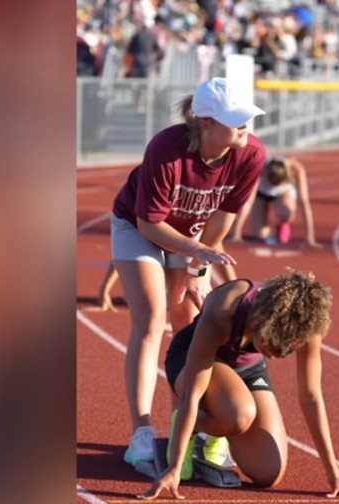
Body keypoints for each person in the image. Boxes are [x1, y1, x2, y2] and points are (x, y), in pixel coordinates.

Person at [111, 77, 267, 468]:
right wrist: (197, 250)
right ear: (205, 122)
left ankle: (189, 426)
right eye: (236, 120)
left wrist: (199, 264)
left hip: (194, 234)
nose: (246, 126)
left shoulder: (251, 154)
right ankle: (142, 433)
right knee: (150, 317)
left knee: (191, 324)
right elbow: (150, 225)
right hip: (139, 227)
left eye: (247, 117)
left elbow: (223, 219)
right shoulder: (167, 149)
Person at [138, 269, 339, 500]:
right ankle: (192, 426)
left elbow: (311, 396)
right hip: (192, 358)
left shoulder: (306, 324)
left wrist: (333, 470)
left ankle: (218, 428)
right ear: (261, 323)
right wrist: (175, 468)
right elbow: (192, 394)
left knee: (268, 473)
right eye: (269, 346)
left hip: (247, 368)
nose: (272, 357)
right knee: (239, 415)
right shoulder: (223, 310)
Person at [232, 156, 321, 248]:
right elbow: (248, 201)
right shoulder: (259, 167)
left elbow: (304, 203)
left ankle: (283, 228)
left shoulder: (296, 169)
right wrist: (237, 232)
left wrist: (309, 238)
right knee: (259, 236)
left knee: (287, 213)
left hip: (283, 193)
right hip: (261, 193)